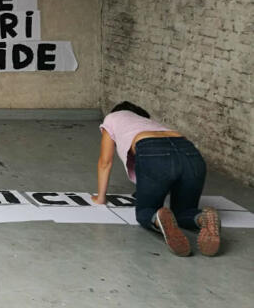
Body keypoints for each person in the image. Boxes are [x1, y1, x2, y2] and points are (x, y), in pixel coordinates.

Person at [92, 101, 220, 256]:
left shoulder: (112, 118)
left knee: (146, 211)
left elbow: (105, 162)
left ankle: (158, 217)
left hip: (152, 151)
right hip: (191, 154)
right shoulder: (148, 122)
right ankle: (202, 218)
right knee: (183, 212)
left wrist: (100, 198)